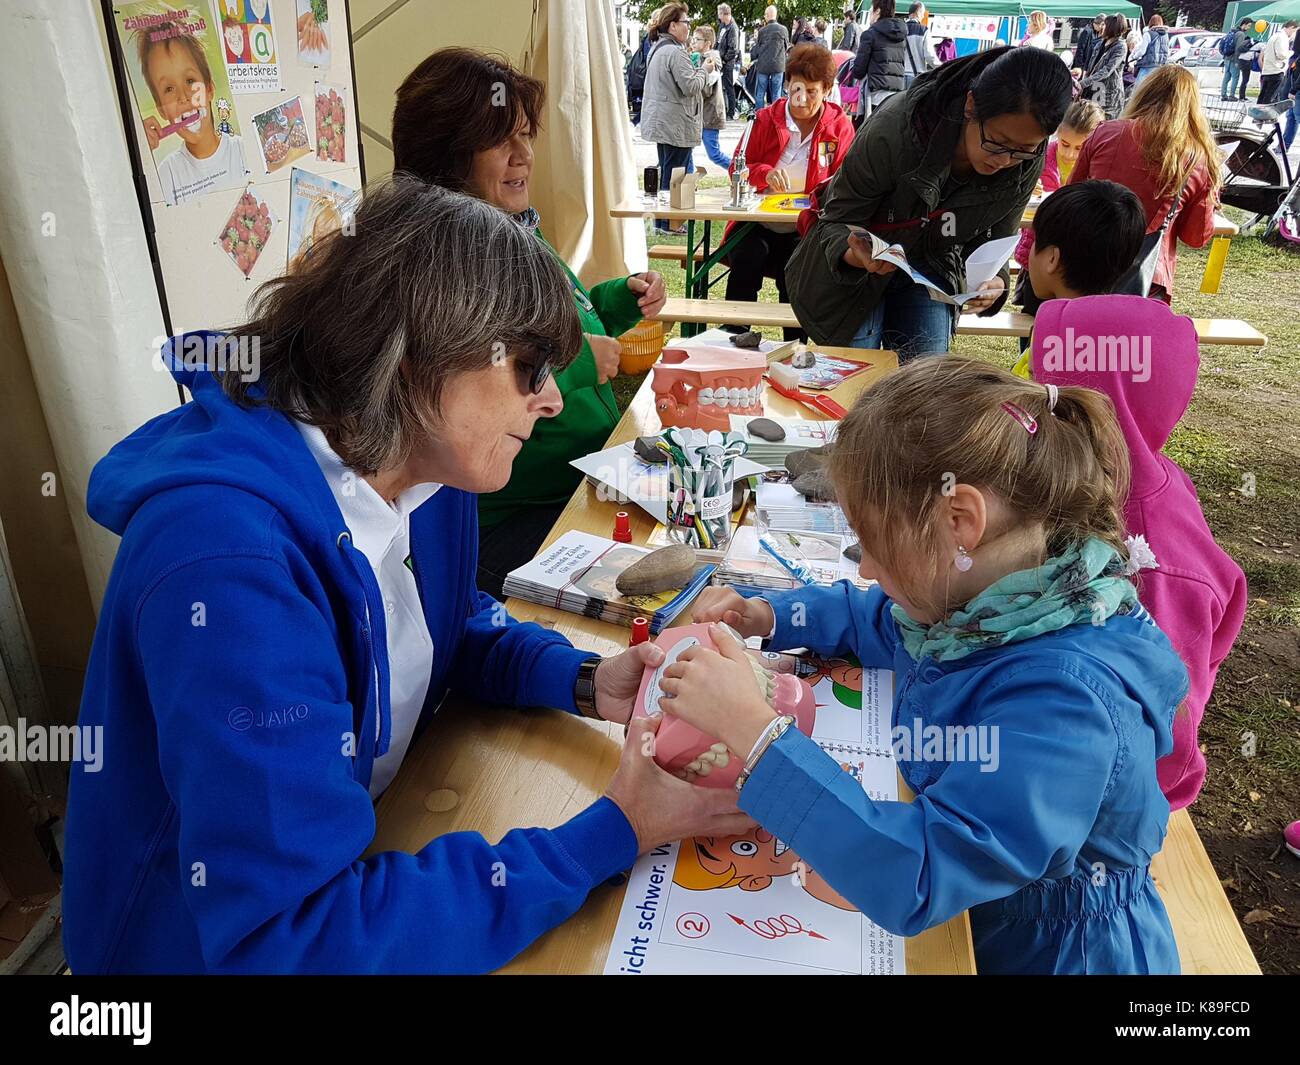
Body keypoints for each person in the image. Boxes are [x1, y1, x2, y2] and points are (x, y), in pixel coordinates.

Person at [61, 179, 751, 974]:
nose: (554, 400)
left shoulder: (422, 468)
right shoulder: (226, 565)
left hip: (360, 850)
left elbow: (451, 627)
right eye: (529, 368)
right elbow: (296, 942)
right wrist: (612, 829)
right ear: (418, 353)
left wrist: (592, 680)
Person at [658, 356, 1189, 974]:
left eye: (875, 546)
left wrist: (757, 742)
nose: (865, 569)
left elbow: (924, 872)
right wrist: (768, 616)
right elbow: (875, 619)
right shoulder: (983, 601)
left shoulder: (1064, 703)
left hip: (1047, 951)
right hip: (980, 916)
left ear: (959, 520)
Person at [390, 49, 667, 593]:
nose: (523, 156)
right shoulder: (450, 259)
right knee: (635, 583)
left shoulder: (519, 230)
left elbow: (565, 312)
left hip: (578, 480)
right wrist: (581, 358)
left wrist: (616, 299)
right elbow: (480, 378)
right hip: (507, 522)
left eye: (525, 135)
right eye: (499, 140)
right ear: (448, 154)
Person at [1031, 296, 1248, 813]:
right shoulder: (1069, 483)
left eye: (1044, 384)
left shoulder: (1153, 564)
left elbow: (1162, 721)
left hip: (1103, 803)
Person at [787, 46, 1073, 358]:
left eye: (1023, 150)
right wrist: (854, 254)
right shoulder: (895, 129)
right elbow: (836, 219)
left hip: (932, 268)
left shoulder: (1027, 155)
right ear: (971, 104)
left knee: (926, 385)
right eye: (997, 142)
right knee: (855, 379)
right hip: (859, 271)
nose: (1005, 160)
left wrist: (995, 281)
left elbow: (997, 238)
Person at [723, 44, 855, 339]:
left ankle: (796, 349)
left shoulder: (840, 128)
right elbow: (736, 168)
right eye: (797, 89)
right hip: (757, 224)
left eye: (812, 91)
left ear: (827, 90)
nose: (802, 99)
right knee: (747, 258)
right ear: (786, 84)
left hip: (804, 227)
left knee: (796, 270)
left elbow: (846, 181)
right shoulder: (765, 119)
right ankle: (733, 338)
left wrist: (822, 192)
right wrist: (764, 173)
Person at [1070, 64, 1220, 304]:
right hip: (1148, 276)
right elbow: (1196, 237)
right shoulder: (1197, 158)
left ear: (1143, 93)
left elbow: (1070, 194)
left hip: (1086, 263)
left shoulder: (1105, 132)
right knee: (1132, 342)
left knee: (1077, 339)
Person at [1011, 99, 1106, 324]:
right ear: (1057, 133)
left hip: (1077, 262)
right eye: (1065, 144)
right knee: (1034, 318)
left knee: (1072, 321)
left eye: (1079, 148)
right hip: (1038, 258)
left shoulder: (1098, 167)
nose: (1070, 154)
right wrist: (1028, 189)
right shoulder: (1040, 159)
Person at [135, 19, 247, 206]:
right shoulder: (166, 174)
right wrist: (140, 156)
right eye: (169, 88)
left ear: (209, 89)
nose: (184, 97)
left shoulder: (241, 151)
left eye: (189, 80)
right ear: (161, 109)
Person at [641, 4, 715, 233]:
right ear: (673, 25)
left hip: (663, 122)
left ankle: (663, 222)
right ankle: (668, 224)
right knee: (675, 176)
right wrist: (705, 69)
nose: (688, 27)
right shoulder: (675, 51)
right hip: (675, 124)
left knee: (667, 171)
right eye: (686, 23)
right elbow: (691, 85)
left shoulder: (658, 48)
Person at [851, 0, 908, 121]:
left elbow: (859, 70)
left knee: (864, 135)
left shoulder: (870, 34)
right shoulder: (901, 35)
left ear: (877, 11)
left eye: (872, 10)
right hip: (895, 95)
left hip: (873, 96)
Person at [692, 25, 731, 168]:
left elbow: (705, 90)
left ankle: (741, 171)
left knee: (714, 154)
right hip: (700, 115)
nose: (693, 42)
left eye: (697, 39)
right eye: (693, 38)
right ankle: (688, 179)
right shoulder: (698, 58)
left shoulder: (710, 62)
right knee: (687, 151)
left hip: (710, 115)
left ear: (707, 43)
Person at [1077, 14, 1127, 120]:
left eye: (1104, 24)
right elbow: (1091, 66)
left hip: (1107, 93)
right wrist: (1084, 82)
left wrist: (1084, 83)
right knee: (1090, 121)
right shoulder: (1100, 44)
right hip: (1094, 88)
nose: (1101, 27)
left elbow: (1107, 70)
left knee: (1102, 121)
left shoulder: (1120, 47)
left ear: (1111, 28)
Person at [753, 5, 791, 108]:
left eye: (765, 14)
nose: (764, 16)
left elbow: (759, 47)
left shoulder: (762, 31)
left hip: (763, 65)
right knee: (776, 93)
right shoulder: (783, 29)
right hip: (778, 65)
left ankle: (759, 115)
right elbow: (786, 46)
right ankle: (775, 117)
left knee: (760, 92)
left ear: (768, 15)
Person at [1259, 21, 1298, 105]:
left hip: (1268, 69)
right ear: (1291, 27)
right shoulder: (1282, 37)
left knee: (1263, 96)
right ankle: (1265, 116)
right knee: (1270, 98)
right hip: (1276, 70)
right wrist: (1291, 52)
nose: (1294, 34)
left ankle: (1259, 115)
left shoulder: (1275, 35)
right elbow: (1281, 55)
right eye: (1294, 31)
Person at [903, 2, 940, 88]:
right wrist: (942, 67)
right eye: (923, 13)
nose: (923, 16)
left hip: (899, 76)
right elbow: (929, 56)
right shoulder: (923, 30)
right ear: (918, 13)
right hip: (916, 77)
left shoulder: (899, 29)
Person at [717, 4, 742, 118]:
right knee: (720, 86)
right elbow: (719, 41)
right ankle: (723, 110)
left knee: (728, 87)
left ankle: (731, 112)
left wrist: (724, 60)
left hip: (727, 63)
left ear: (724, 14)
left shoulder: (733, 28)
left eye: (719, 13)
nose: (718, 16)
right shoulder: (723, 25)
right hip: (720, 59)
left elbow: (733, 49)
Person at [1222, 18, 1254, 102]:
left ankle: (1223, 94)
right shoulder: (1241, 34)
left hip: (1226, 58)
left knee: (1226, 77)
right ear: (1244, 24)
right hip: (1233, 59)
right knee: (1235, 77)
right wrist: (1237, 61)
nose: (1249, 28)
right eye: (1249, 25)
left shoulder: (1232, 31)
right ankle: (1232, 95)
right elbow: (1238, 49)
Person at [1133, 14, 1168, 87]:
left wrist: (1134, 56)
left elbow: (1142, 51)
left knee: (1140, 88)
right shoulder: (1165, 35)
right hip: (1160, 66)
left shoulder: (1148, 34)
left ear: (1150, 23)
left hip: (1147, 65)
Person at [627, 28, 652, 124]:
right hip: (645, 82)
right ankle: (634, 123)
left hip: (640, 82)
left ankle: (634, 123)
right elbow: (648, 61)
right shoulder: (651, 40)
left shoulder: (647, 39)